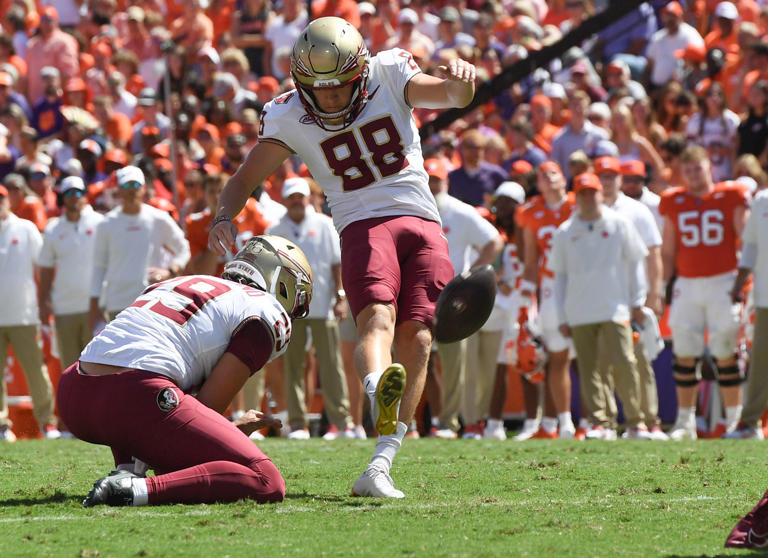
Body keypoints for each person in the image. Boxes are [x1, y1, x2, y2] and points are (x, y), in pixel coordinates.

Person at [209, 17, 474, 498]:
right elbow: (244, 180)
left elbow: (450, 97)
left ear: (361, 71)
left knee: (419, 336)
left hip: (422, 219)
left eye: (340, 87)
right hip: (362, 222)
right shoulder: (288, 115)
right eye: (319, 89)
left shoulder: (390, 72)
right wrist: (223, 215)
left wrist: (460, 82)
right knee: (377, 317)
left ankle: (381, 464)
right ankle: (377, 389)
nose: (330, 99)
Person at [57, 235, 313, 507]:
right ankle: (132, 491)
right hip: (134, 397)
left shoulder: (177, 283)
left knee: (160, 383)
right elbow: (206, 406)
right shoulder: (263, 309)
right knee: (266, 480)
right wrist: (231, 431)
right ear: (281, 281)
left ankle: (129, 470)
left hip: (74, 392)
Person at [660, 145, 750, 440]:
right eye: (687, 170)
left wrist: (743, 283)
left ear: (709, 166)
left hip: (723, 281)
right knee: (685, 352)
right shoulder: (674, 200)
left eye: (697, 168)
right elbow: (669, 251)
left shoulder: (730, 196)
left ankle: (735, 421)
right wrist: (663, 286)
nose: (693, 175)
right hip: (687, 283)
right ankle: (686, 423)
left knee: (726, 351)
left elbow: (745, 241)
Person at [550, 172, 649, 439]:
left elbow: (636, 262)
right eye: (582, 193)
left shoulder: (619, 224)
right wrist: (561, 316)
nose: (588, 197)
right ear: (577, 196)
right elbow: (559, 278)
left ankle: (635, 422)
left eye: (592, 192)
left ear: (600, 194)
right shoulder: (565, 232)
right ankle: (599, 422)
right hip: (579, 311)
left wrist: (638, 300)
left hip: (615, 307)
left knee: (625, 363)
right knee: (589, 368)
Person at [266, 177, 354, 439]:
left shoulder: (324, 225)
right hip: (290, 309)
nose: (296, 201)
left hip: (322, 304)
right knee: (293, 365)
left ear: (308, 198)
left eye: (300, 196)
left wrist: (340, 296)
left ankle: (342, 422)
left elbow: (336, 263)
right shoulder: (275, 229)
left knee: (331, 364)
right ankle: (298, 424)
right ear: (284, 200)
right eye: (292, 197)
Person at [425, 157, 503, 439]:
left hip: (452, 297)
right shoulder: (413, 208)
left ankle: (448, 423)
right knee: (417, 357)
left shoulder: (460, 211)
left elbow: (494, 241)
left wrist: (471, 277)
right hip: (421, 293)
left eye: (437, 180)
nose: (432, 186)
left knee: (455, 362)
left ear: (446, 182)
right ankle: (413, 422)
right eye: (429, 180)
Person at [593, 156, 666, 440]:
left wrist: (654, 293)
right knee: (601, 363)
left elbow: (654, 253)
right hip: (598, 298)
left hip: (630, 297)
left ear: (620, 179)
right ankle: (607, 422)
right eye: (603, 175)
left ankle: (649, 421)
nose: (607, 181)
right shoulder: (587, 210)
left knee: (639, 361)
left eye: (612, 175)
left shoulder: (637, 211)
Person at [515, 161, 577, 439]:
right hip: (551, 284)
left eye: (554, 172)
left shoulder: (578, 203)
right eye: (543, 176)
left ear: (564, 179)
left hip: (582, 282)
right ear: (537, 184)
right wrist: (526, 301)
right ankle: (563, 423)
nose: (548, 178)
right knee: (557, 354)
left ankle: (595, 421)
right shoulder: (531, 213)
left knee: (588, 354)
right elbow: (531, 261)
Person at [89, 165, 190, 330]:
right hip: (118, 302)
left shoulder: (159, 218)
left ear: (143, 188)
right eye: (126, 186)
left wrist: (170, 271)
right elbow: (99, 267)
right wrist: (94, 306)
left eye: (135, 185)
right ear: (119, 190)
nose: (131, 190)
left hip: (153, 300)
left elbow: (183, 249)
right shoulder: (106, 224)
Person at [0, 184, 60, 442]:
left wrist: (45, 301)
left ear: (9, 201)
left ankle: (47, 423)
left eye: (1, 198)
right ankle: (2, 427)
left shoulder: (25, 228)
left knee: (35, 369)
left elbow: (43, 267)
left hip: (24, 315)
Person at [38, 176, 104, 370]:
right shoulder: (52, 229)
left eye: (77, 192)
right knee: (70, 369)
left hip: (96, 307)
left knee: (99, 368)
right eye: (69, 193)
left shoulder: (101, 223)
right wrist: (42, 304)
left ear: (84, 195)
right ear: (63, 198)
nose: (74, 196)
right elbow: (46, 269)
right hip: (64, 309)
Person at [725, 188, 768, 439]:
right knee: (761, 360)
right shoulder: (762, 200)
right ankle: (750, 423)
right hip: (765, 296)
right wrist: (738, 284)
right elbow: (750, 246)